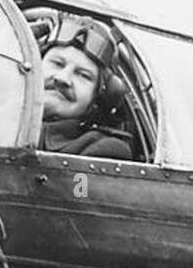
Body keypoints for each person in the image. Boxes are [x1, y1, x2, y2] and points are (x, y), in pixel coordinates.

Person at [33, 13, 136, 160]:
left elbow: (80, 183)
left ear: (99, 96)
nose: (63, 78)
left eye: (83, 75)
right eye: (57, 63)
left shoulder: (102, 151)